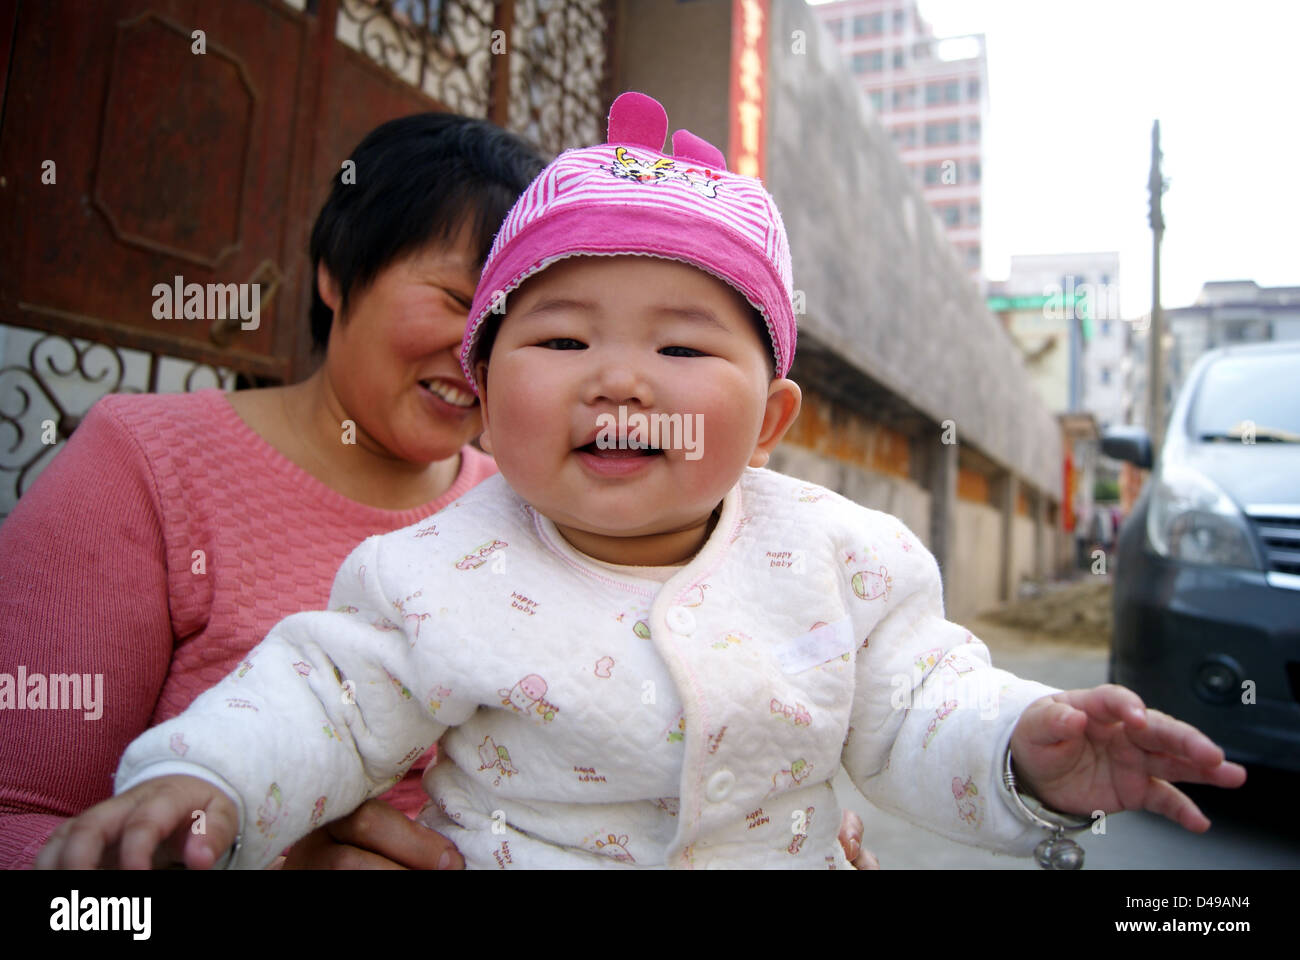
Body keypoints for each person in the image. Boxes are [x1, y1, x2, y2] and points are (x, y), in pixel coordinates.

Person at [35, 92, 1241, 870]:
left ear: (770, 419)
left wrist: (1023, 750)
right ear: (488, 393)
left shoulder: (841, 558)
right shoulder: (434, 572)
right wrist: (206, 784)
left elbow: (918, 706)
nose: (617, 379)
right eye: (558, 342)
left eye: (678, 345)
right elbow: (319, 699)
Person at [0, 111, 543, 870]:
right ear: (336, 270)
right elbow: (20, 812)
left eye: (518, 321)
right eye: (458, 301)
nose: (478, 353)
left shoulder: (529, 521)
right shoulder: (146, 465)